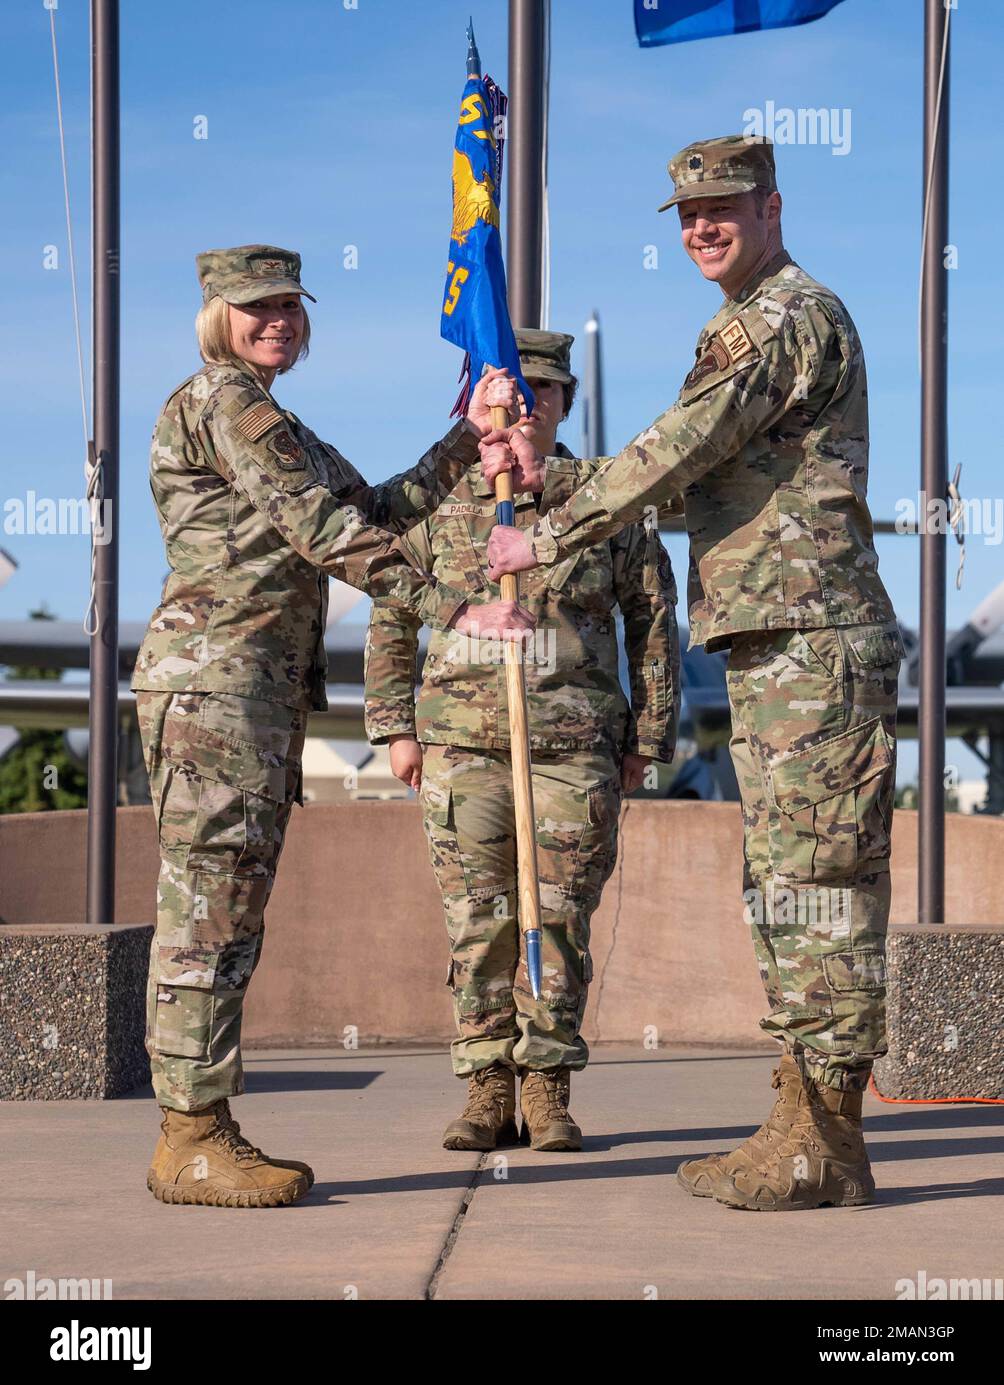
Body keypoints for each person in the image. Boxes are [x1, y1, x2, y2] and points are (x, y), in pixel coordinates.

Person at [480, 139, 904, 1211]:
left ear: (771, 207)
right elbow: (699, 473)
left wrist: (550, 527)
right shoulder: (753, 320)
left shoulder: (780, 316)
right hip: (777, 640)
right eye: (685, 214)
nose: (701, 227)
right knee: (786, 885)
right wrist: (548, 476)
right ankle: (801, 1120)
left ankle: (825, 1139)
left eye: (721, 207)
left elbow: (681, 444)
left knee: (819, 885)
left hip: (810, 639)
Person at [132, 244, 528, 1207]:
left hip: (252, 697)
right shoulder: (222, 399)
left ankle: (200, 1127)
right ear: (216, 316)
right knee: (207, 914)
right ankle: (189, 1137)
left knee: (230, 913)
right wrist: (454, 606)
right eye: (256, 306)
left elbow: (375, 509)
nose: (278, 319)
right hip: (215, 690)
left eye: (290, 305)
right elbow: (320, 529)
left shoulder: (280, 423)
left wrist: (465, 441)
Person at [364, 329, 679, 1152]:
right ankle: (486, 1086)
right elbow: (392, 613)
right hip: (464, 744)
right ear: (480, 401)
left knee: (560, 918)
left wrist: (649, 735)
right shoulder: (439, 500)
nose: (526, 405)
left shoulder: (606, 500)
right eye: (512, 390)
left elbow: (651, 619)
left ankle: (546, 1084)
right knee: (479, 921)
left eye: (544, 390)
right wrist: (393, 726)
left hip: (573, 748)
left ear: (567, 400)